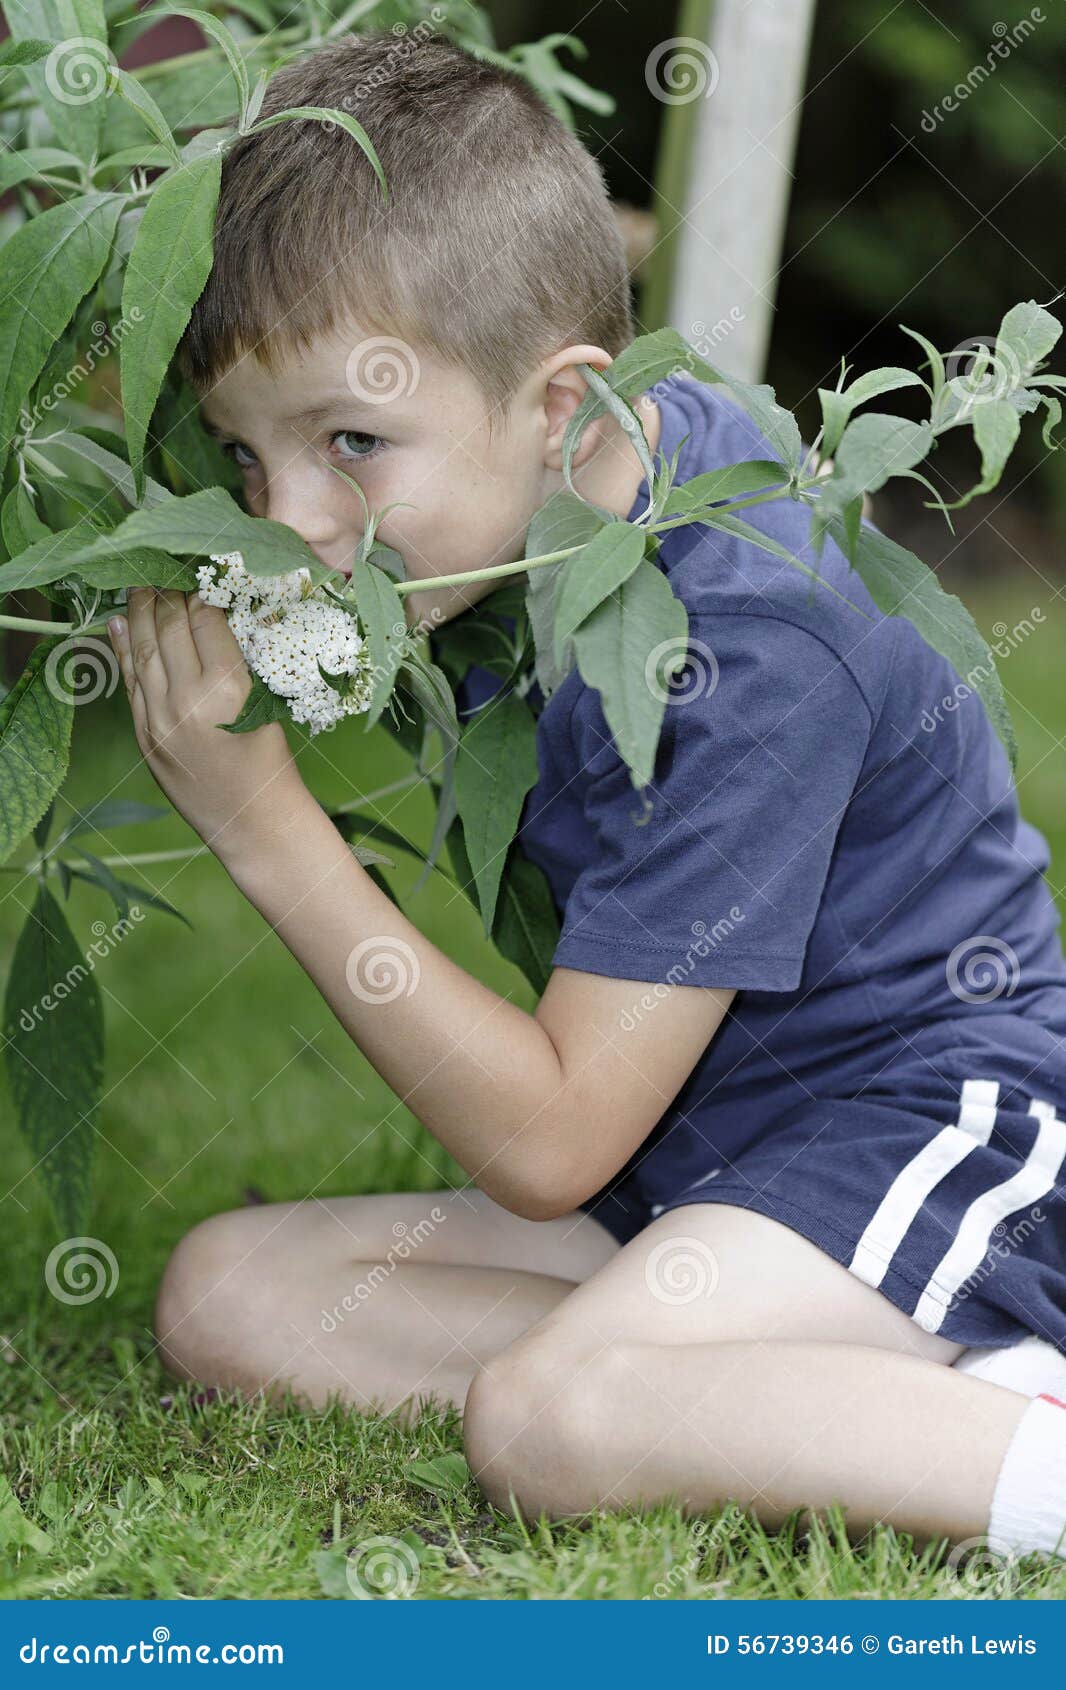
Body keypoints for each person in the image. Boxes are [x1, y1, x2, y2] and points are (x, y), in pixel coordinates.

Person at [106, 30, 1066, 1562]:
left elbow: (551, 1139)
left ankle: (1001, 1416)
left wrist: (260, 820)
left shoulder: (746, 636)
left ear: (562, 406)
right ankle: (833, 1395)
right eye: (246, 452)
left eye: (352, 441)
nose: (290, 522)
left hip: (918, 1137)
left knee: (549, 1420)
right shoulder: (517, 527)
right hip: (698, 1168)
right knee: (228, 1296)